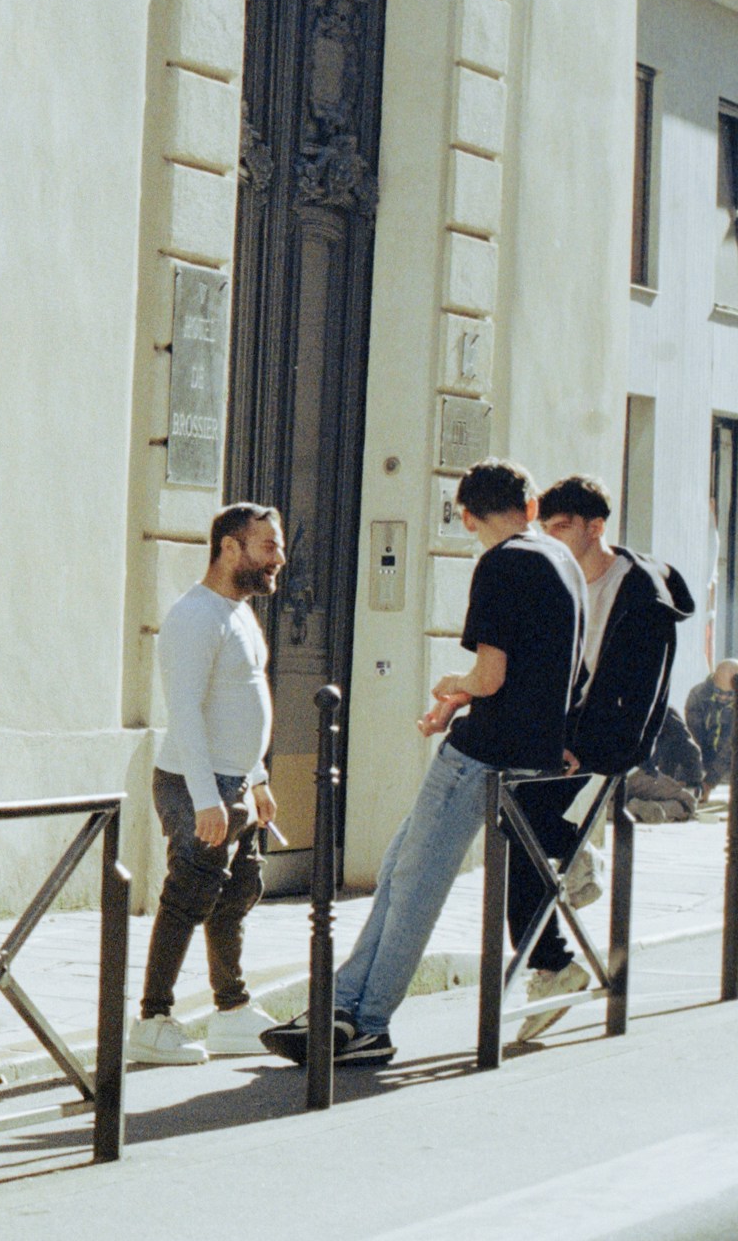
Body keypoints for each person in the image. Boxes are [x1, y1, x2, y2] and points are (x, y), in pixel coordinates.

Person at [262, 458, 581, 1070]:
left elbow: (492, 675)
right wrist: (467, 695)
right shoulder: (560, 560)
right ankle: (341, 1006)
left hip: (481, 753)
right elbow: (541, 668)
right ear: (532, 506)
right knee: (397, 868)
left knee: (414, 886)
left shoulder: (501, 563)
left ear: (465, 516)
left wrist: (455, 683)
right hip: (527, 749)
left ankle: (369, 1021)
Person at [514, 475, 688, 1034]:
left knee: (523, 835)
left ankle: (554, 960)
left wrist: (593, 751)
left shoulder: (642, 592)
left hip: (598, 743)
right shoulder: (552, 578)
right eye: (545, 528)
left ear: (595, 527)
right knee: (515, 830)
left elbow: (641, 693)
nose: (552, 538)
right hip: (553, 733)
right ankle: (567, 897)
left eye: (562, 527)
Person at [129, 503, 281, 1066]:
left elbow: (238, 704)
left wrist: (257, 779)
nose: (279, 559)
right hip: (198, 782)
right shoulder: (194, 617)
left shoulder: (239, 612)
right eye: (268, 547)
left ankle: (231, 1010)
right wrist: (205, 799)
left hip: (234, 782)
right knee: (188, 896)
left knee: (237, 893)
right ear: (230, 549)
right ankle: (152, 1019)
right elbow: (186, 715)